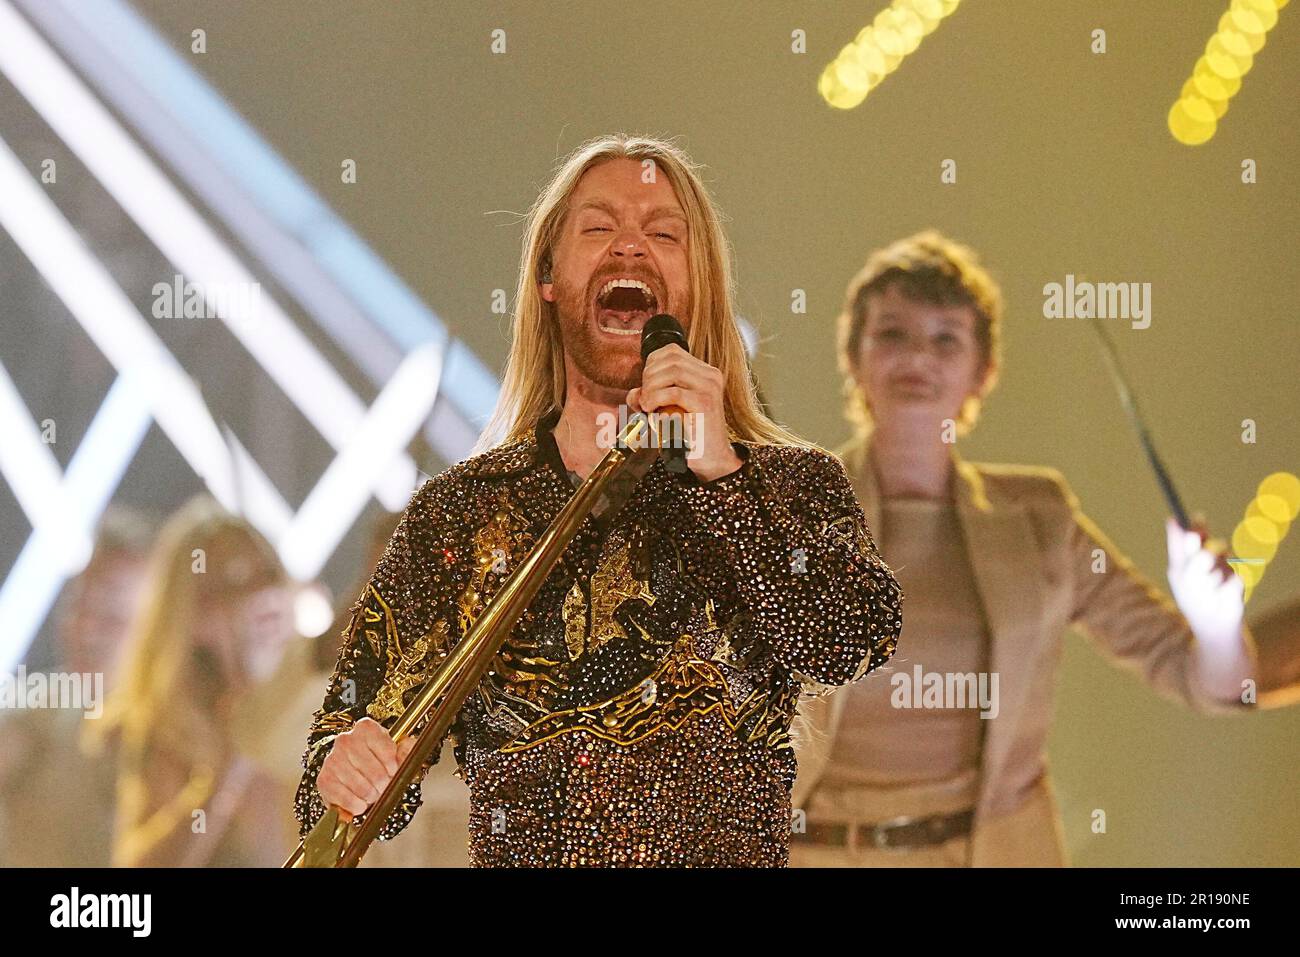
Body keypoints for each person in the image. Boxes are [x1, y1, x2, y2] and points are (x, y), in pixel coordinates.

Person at [293, 133, 903, 867]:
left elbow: (849, 642)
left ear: (699, 282)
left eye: (662, 232)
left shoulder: (789, 485)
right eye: (598, 226)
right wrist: (346, 762)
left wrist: (723, 472)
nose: (629, 248)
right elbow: (337, 771)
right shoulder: (460, 514)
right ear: (548, 277)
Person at [790, 230, 1257, 867]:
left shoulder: (1040, 519)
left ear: (984, 370)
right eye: (893, 333)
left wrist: (1216, 625)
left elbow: (1214, 683)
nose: (917, 356)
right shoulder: (786, 510)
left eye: (946, 337)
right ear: (853, 355)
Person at [94, 497, 302, 867]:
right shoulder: (168, 732)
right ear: (192, 617)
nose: (260, 593)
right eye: (233, 582)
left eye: (267, 574)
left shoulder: (323, 697)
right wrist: (228, 769)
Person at [0, 507, 154, 866]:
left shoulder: (188, 733)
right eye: (78, 607)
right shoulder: (31, 718)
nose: (85, 629)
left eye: (111, 616)